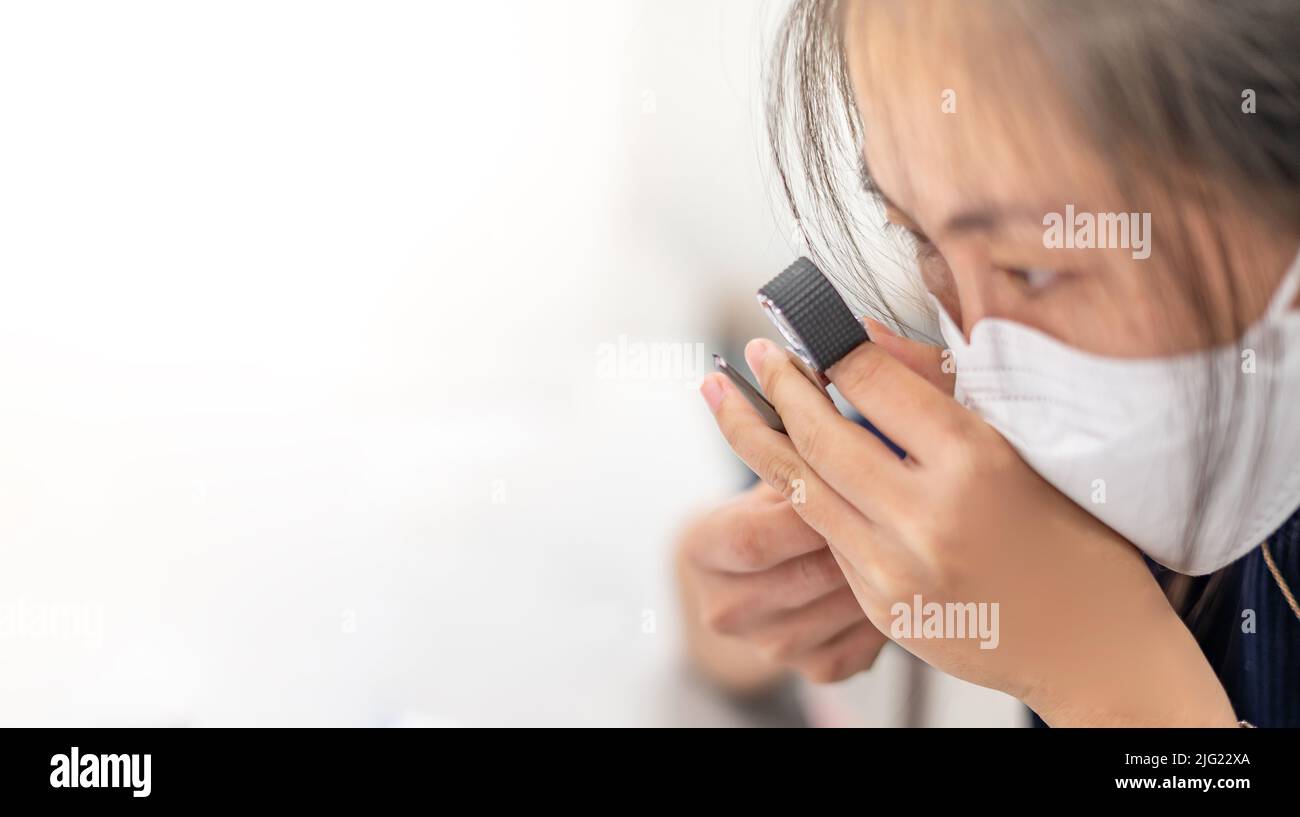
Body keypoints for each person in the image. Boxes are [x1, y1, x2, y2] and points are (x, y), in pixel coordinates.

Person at [676, 0, 1300, 727]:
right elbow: (714, 600)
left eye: (1032, 267)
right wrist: (769, 585)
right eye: (923, 242)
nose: (980, 350)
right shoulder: (988, 381)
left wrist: (1095, 666)